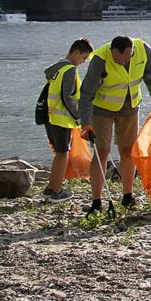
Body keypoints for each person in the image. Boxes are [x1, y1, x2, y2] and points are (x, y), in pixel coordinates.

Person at [76, 35, 151, 217]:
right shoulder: (99, 59)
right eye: (118, 60)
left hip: (130, 108)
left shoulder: (143, 50)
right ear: (111, 51)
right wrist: (85, 123)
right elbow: (86, 93)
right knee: (102, 151)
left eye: (126, 58)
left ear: (132, 51)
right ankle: (96, 201)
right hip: (102, 110)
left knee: (128, 151)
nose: (122, 62)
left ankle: (127, 196)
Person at [39, 38, 93, 202]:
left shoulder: (58, 69)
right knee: (63, 154)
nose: (84, 61)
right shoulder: (69, 70)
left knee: (60, 153)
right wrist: (79, 115)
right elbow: (67, 97)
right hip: (61, 119)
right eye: (84, 57)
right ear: (76, 53)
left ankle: (51, 188)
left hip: (51, 116)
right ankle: (56, 191)